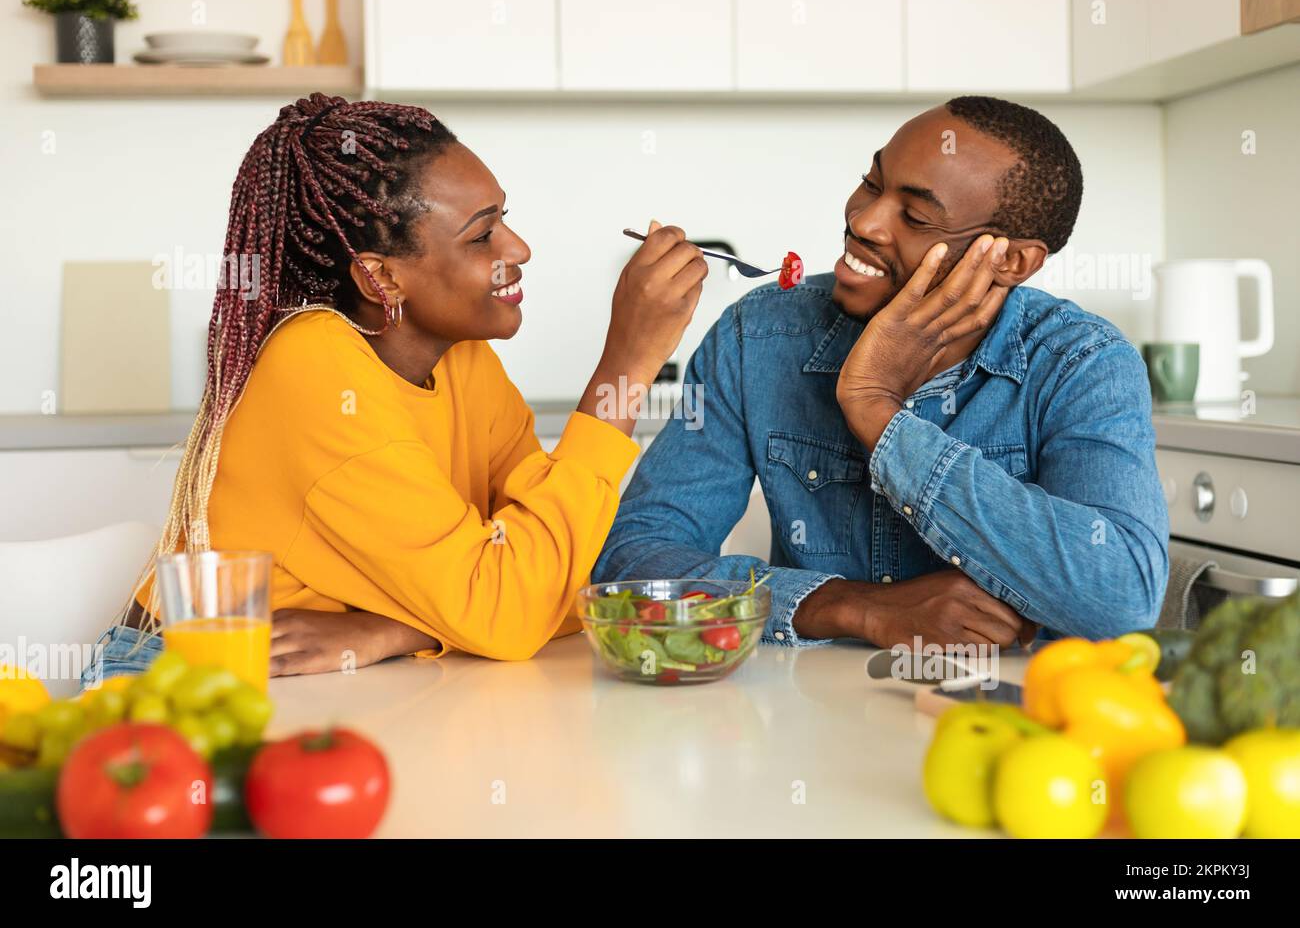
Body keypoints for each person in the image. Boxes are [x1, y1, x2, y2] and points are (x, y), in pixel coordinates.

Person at [87, 93, 706, 684]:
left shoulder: (464, 360)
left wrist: (389, 632)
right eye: (481, 235)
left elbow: (558, 575)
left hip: (330, 677)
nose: (519, 249)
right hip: (185, 668)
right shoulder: (314, 368)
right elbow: (512, 610)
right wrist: (627, 364)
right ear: (380, 276)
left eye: (505, 220)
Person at [595, 96, 1169, 651]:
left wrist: (876, 408)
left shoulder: (1082, 363)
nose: (863, 220)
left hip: (1017, 714)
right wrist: (852, 606)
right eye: (872, 182)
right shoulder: (759, 336)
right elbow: (635, 562)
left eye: (916, 216)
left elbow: (1122, 599)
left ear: (1010, 261)